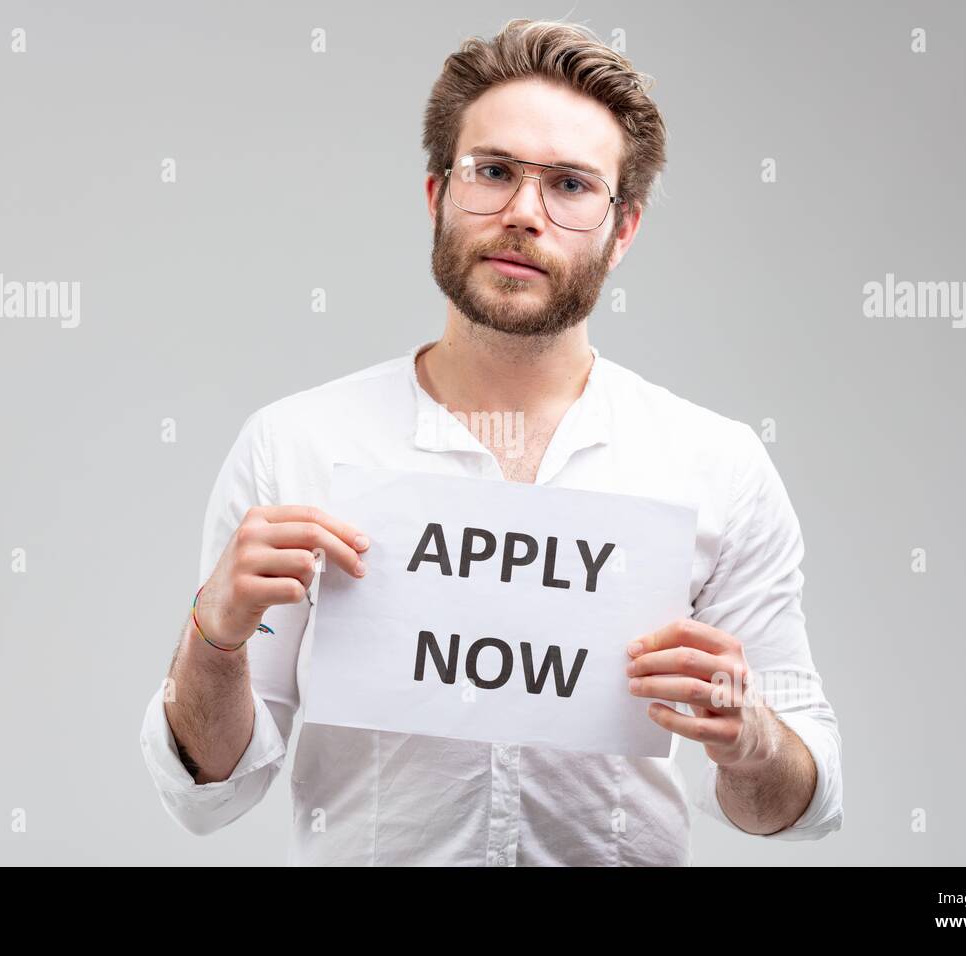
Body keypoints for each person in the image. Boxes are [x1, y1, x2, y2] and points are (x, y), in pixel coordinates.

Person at [140, 18, 843, 865]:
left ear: (623, 232)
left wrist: (753, 737)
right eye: (494, 171)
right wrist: (212, 635)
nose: (522, 214)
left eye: (572, 186)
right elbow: (211, 793)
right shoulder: (294, 446)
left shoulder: (718, 467)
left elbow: (793, 808)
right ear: (438, 195)